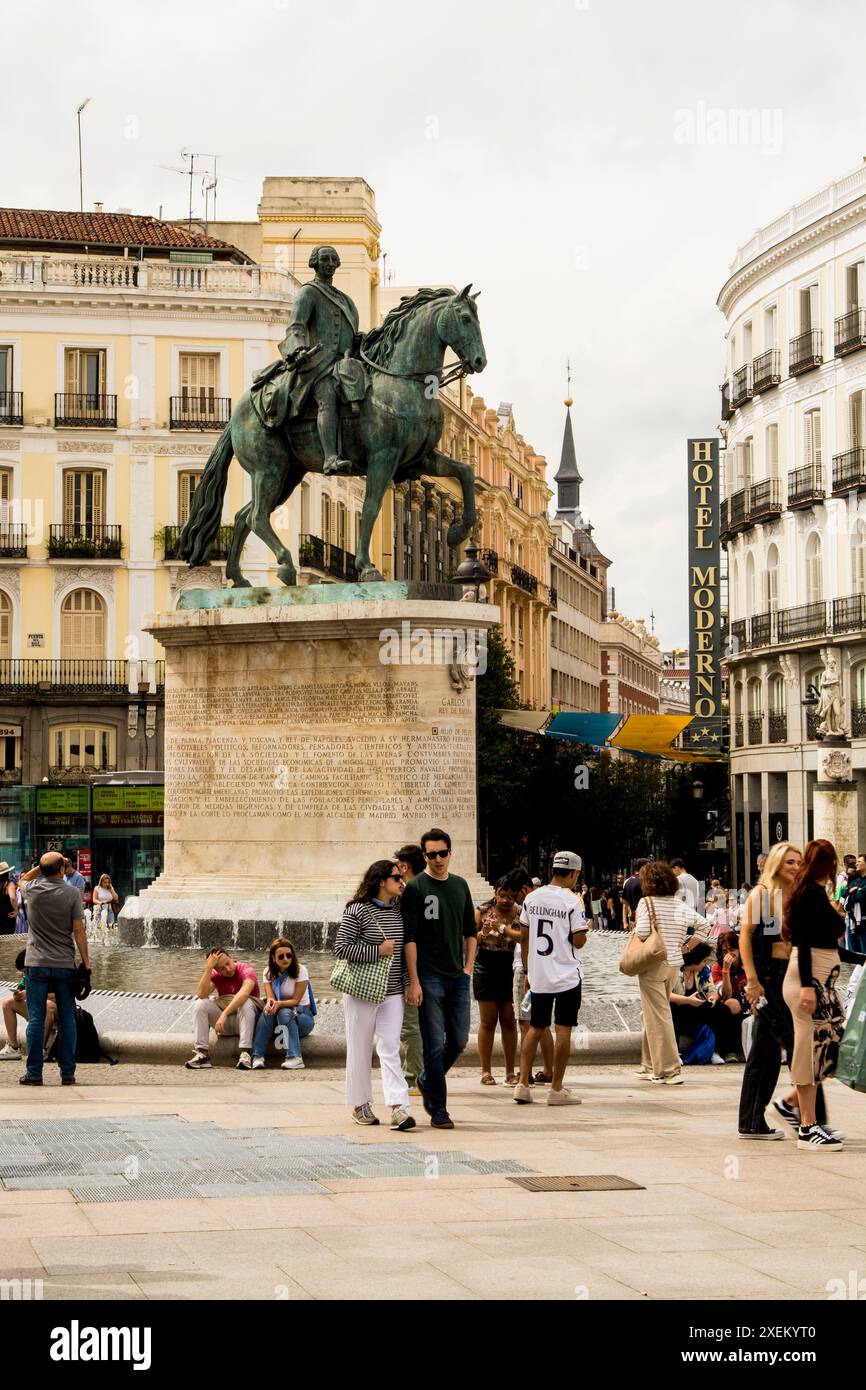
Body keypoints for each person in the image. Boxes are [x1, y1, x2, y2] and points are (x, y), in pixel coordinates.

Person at [736, 841, 827, 1140]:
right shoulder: (763, 895)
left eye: (799, 862)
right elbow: (745, 938)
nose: (796, 867)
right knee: (800, 1046)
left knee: (766, 1053)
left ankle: (753, 1121)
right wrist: (752, 980)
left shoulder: (796, 896)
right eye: (789, 862)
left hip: (789, 975)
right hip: (768, 978)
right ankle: (811, 1120)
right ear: (776, 864)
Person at [402, 827, 476, 1130]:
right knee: (433, 1043)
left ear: (450, 852)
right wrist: (414, 980)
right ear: (424, 856)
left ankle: (425, 1079)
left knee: (458, 1040)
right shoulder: (416, 888)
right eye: (431, 854)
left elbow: (470, 931)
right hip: (429, 976)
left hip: (457, 975)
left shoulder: (460, 885)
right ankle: (438, 1109)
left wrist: (469, 967)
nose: (438, 859)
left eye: (442, 853)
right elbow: (410, 938)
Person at [334, 859, 415, 1130]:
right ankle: (360, 1104)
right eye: (396, 877)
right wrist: (377, 951)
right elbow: (342, 948)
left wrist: (407, 983)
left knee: (390, 1047)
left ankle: (399, 1107)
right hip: (362, 991)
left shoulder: (398, 911)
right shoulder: (357, 911)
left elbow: (402, 956)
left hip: (392, 992)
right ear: (381, 881)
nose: (401, 882)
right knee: (359, 1048)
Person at [275, 244, 361, 475]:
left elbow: (353, 335)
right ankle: (330, 457)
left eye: (334, 258)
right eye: (325, 258)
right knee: (328, 396)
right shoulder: (309, 292)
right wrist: (298, 348)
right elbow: (296, 326)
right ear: (314, 262)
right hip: (319, 364)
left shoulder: (346, 300)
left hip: (346, 363)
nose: (330, 263)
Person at [782, 840, 845, 1149]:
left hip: (816, 978)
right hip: (808, 980)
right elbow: (804, 942)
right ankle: (806, 1125)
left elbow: (822, 939)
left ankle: (796, 1109)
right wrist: (808, 985)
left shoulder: (814, 893)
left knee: (823, 1046)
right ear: (830, 864)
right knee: (809, 1050)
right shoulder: (810, 894)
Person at [514, 850, 588, 1106]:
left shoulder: (532, 898)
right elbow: (578, 940)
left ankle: (522, 1084)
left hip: (540, 973)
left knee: (535, 1027)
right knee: (564, 1029)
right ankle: (556, 1089)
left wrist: (527, 970)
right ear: (575, 873)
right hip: (567, 974)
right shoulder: (572, 901)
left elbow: (524, 937)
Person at [633, 860, 708, 1085]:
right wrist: (686, 947)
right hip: (674, 965)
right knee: (650, 1013)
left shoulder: (647, 903)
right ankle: (648, 1065)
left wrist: (637, 927)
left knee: (659, 1015)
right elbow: (704, 926)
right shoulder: (679, 904)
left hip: (653, 965)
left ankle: (668, 1069)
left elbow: (644, 931)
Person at [19, 851, 90, 1087]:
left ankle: (34, 1074)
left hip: (36, 962)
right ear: (62, 869)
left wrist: (42, 866)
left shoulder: (33, 889)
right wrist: (87, 964)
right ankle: (67, 1073)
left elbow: (22, 880)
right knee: (68, 1016)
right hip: (64, 963)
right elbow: (79, 930)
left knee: (37, 1018)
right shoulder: (71, 892)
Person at [504, 868, 555, 1085]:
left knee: (525, 1023)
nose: (512, 901)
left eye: (514, 896)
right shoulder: (549, 900)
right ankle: (549, 1070)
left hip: (527, 968)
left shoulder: (529, 903)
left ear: (524, 889)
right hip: (546, 968)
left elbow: (524, 939)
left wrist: (526, 970)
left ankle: (526, 1073)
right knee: (542, 1024)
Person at [473, 878, 521, 1085]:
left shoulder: (521, 912)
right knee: (488, 1020)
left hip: (510, 966)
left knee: (510, 1020)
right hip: (486, 966)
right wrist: (483, 933)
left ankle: (510, 1071)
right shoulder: (482, 911)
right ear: (495, 891)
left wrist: (503, 928)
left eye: (511, 896)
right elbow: (469, 939)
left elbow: (525, 938)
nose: (506, 900)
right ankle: (485, 1070)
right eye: (502, 895)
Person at [186, 948, 260, 1070]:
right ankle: (202, 1054)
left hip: (246, 1024)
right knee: (200, 1004)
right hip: (224, 1025)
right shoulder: (216, 975)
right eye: (221, 968)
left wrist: (224, 1014)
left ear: (231, 957)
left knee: (245, 1002)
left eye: (227, 963)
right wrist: (209, 968)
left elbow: (245, 993)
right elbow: (201, 993)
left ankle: (245, 1053)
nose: (228, 969)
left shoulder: (246, 970)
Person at [669, 940, 741, 1063]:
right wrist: (688, 1000)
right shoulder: (673, 970)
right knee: (672, 1009)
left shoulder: (704, 970)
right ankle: (674, 1053)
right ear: (694, 960)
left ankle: (718, 1050)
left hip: (697, 1009)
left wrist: (712, 997)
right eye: (704, 960)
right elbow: (665, 995)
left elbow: (712, 990)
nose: (706, 962)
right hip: (680, 1010)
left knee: (722, 1010)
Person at [251, 937, 314, 1071]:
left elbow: (295, 1001)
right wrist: (270, 1004)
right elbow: (270, 998)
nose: (286, 959)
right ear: (273, 958)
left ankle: (295, 1058)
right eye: (281, 956)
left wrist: (278, 1005)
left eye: (289, 955)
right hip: (279, 1020)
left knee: (285, 1012)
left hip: (302, 1017)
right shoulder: (268, 972)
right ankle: (257, 1057)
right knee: (267, 1011)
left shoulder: (301, 970)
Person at [394, 843, 427, 1096]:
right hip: (431, 964)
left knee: (410, 1026)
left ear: (404, 866)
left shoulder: (407, 893)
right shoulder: (429, 888)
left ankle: (414, 1076)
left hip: (411, 967)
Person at [1, 949, 57, 1059]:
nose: (25, 974)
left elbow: (60, 995)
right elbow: (21, 990)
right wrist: (18, 996)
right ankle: (14, 1047)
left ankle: (41, 1049)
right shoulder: (27, 977)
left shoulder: (51, 970)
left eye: (26, 971)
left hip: (56, 1011)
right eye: (23, 972)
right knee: (8, 1003)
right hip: (38, 1011)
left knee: (48, 1005)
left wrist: (31, 993)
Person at [711, 931, 748, 1058]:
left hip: (749, 1001)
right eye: (724, 951)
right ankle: (731, 1051)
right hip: (728, 1007)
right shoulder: (717, 967)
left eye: (732, 949)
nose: (728, 954)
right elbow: (726, 995)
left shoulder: (747, 963)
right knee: (732, 1003)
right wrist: (726, 970)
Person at [841, 853, 866, 955]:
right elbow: (844, 893)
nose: (856, 864)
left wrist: (853, 893)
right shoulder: (857, 880)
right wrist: (853, 891)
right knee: (856, 953)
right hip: (855, 922)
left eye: (859, 862)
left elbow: (859, 896)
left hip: (864, 921)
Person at [621, 860, 646, 928]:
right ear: (644, 868)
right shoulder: (645, 882)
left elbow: (624, 903)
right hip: (643, 918)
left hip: (632, 916)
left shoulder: (627, 881)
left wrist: (624, 921)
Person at [0, 862, 17, 935]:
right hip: (8, 916)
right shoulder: (9, 884)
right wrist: (17, 910)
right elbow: (12, 898)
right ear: (7, 873)